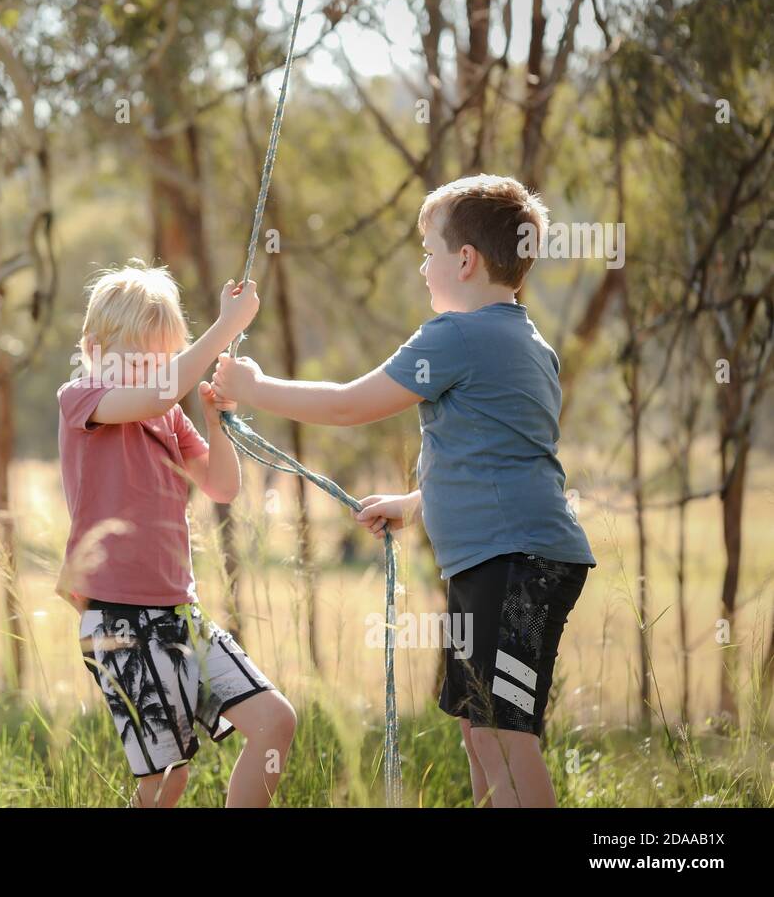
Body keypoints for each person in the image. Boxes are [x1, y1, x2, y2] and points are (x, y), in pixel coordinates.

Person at [213, 175, 595, 807]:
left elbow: (346, 406)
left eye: (429, 252)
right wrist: (414, 504)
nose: (424, 267)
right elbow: (505, 457)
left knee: (505, 737)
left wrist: (253, 388)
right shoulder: (530, 345)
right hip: (514, 560)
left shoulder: (456, 337)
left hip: (512, 566)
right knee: (483, 734)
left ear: (465, 260)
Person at [57, 258, 296, 808]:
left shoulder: (167, 418)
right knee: (166, 779)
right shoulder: (82, 399)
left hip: (180, 613)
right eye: (137, 356)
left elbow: (221, 486)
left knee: (273, 723)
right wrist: (226, 328)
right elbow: (160, 394)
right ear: (93, 348)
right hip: (116, 617)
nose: (150, 369)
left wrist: (216, 422)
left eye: (161, 358)